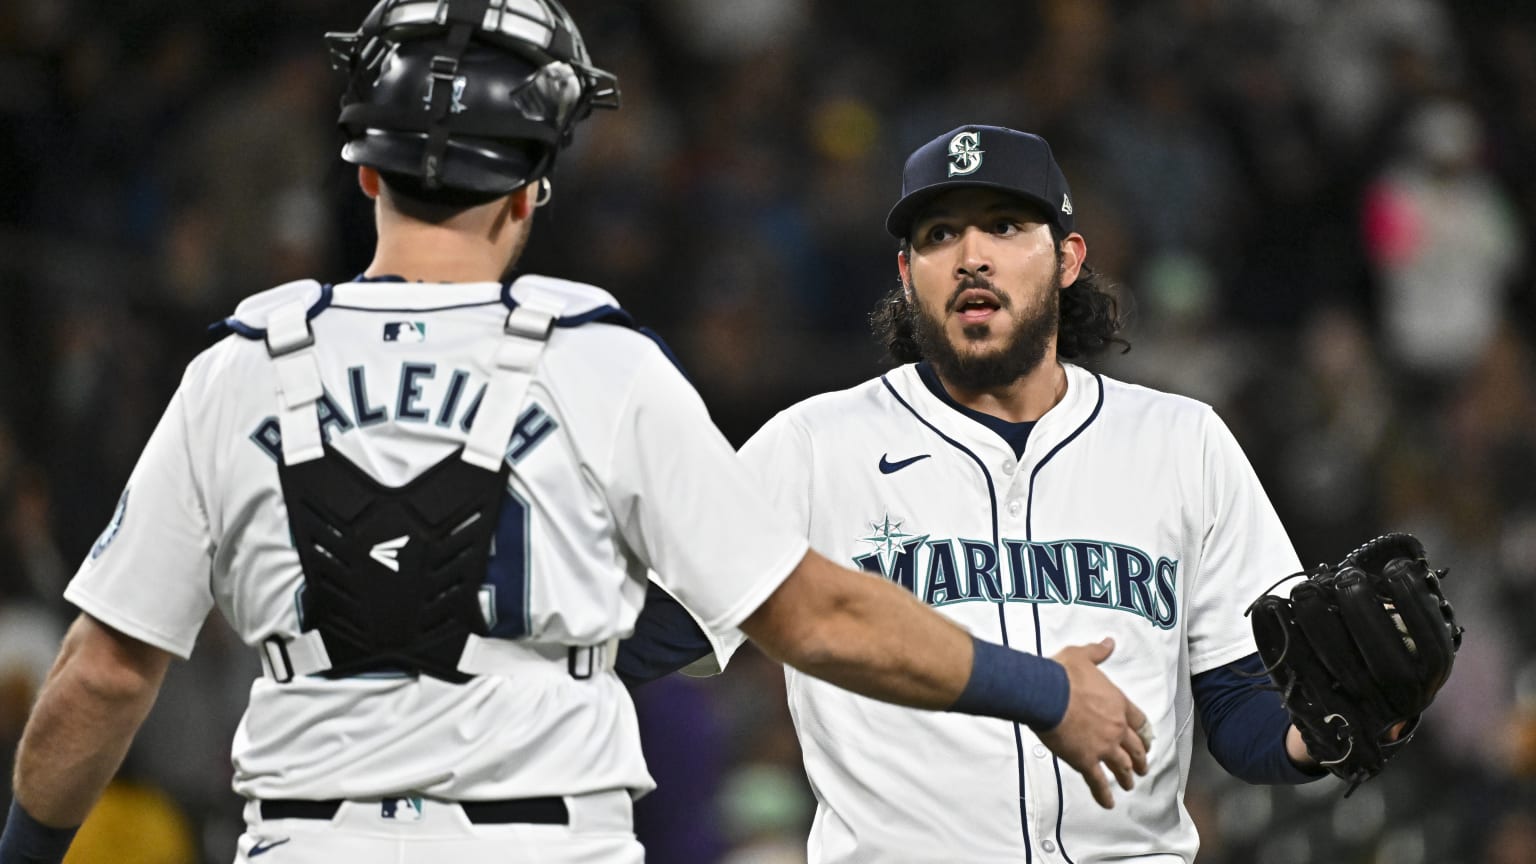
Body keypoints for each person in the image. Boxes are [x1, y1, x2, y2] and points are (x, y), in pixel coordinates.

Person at [0, 7, 1151, 863]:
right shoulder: (600, 365)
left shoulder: (241, 368)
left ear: (362, 172)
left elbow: (104, 671)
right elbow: (816, 614)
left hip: (312, 840)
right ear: (530, 191)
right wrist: (1039, 690)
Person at [696, 125, 1333, 862]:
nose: (972, 257)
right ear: (907, 273)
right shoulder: (814, 446)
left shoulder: (1181, 442)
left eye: (1003, 225)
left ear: (1068, 258)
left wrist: (1325, 734)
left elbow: (1235, 701)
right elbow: (666, 627)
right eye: (940, 234)